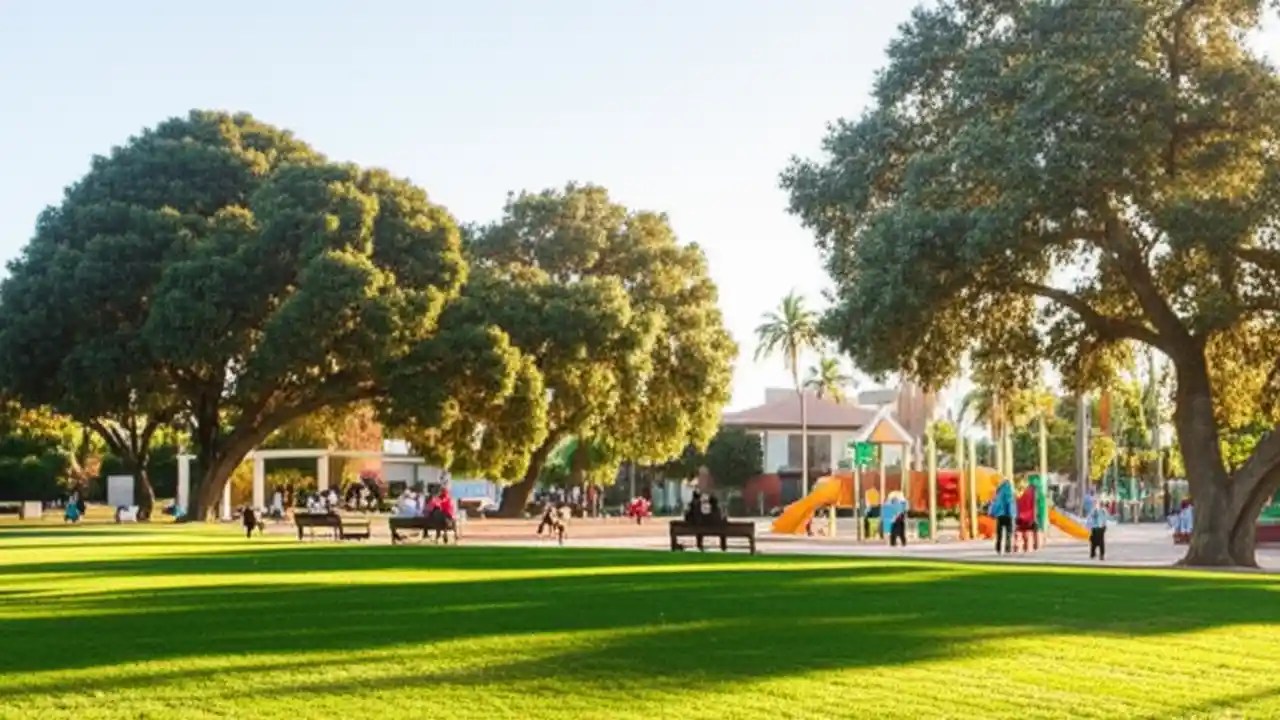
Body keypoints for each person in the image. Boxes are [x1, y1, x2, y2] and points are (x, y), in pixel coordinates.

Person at [989, 478, 1016, 555]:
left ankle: (998, 548)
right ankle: (1008, 548)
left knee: (999, 533)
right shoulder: (1010, 492)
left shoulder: (999, 492)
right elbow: (1011, 503)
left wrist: (993, 513)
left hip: (1000, 515)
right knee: (1008, 533)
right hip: (1008, 515)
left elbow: (995, 504)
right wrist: (1013, 514)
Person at [1016, 481, 1040, 552]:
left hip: (1022, 516)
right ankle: (1035, 545)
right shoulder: (1033, 494)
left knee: (1024, 531)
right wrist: (1035, 517)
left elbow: (1018, 503)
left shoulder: (1023, 494)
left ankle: (1026, 546)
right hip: (1029, 517)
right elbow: (1034, 506)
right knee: (1033, 530)